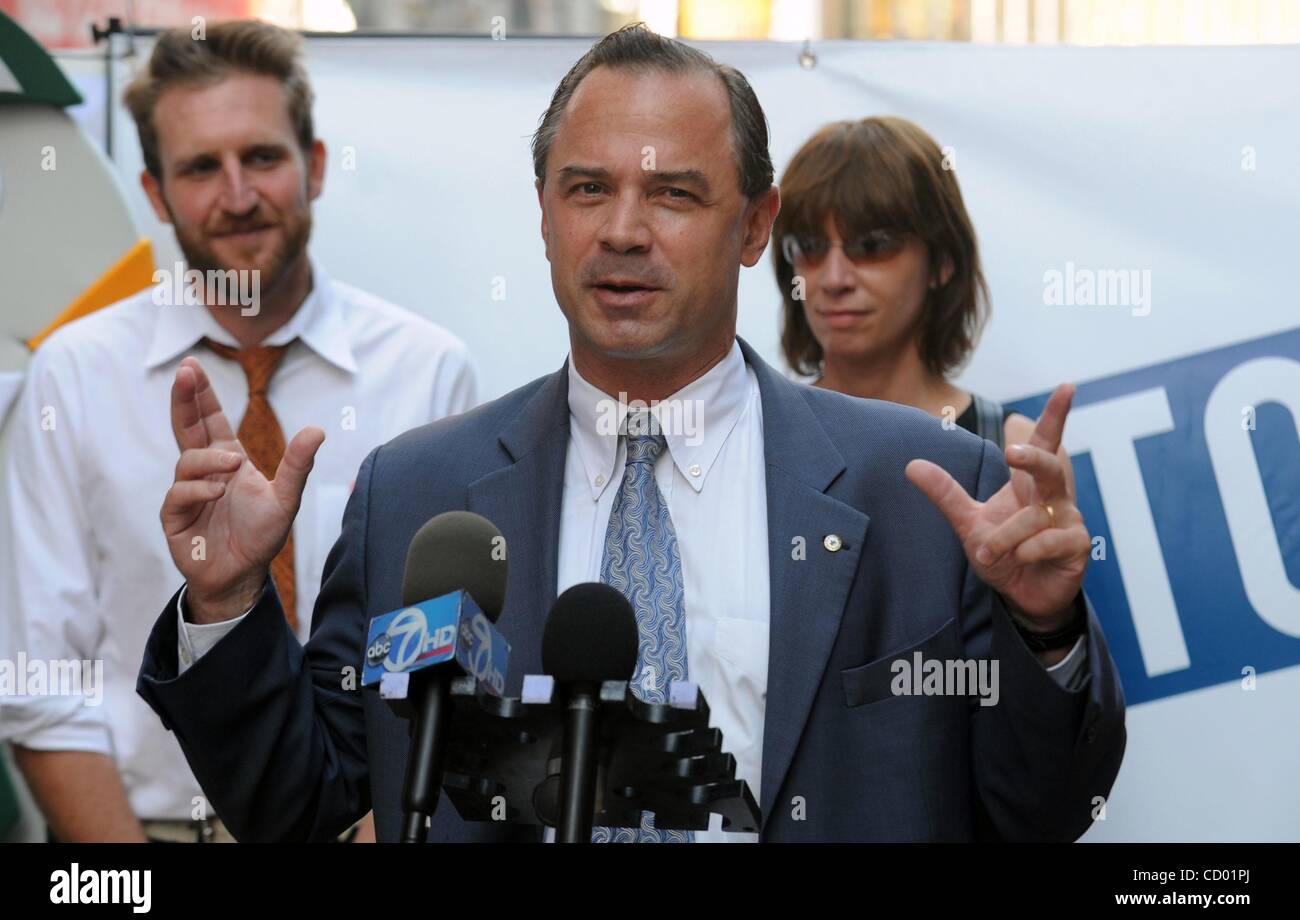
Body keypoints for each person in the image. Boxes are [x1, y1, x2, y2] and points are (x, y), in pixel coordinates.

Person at [137, 24, 1124, 842]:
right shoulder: (422, 500)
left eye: (673, 193)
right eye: (587, 188)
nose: (621, 230)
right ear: (542, 214)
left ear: (752, 227)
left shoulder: (922, 495)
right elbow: (307, 803)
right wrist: (223, 604)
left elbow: (1039, 813)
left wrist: (1043, 636)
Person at [0, 21, 478, 843]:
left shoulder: (429, 371)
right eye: (199, 168)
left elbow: (449, 668)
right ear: (155, 193)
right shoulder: (73, 374)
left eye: (261, 157)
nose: (237, 194)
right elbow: (42, 687)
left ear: (315, 166)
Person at [775, 115, 1046, 452]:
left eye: (871, 246)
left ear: (941, 262)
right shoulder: (754, 440)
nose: (835, 280)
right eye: (809, 247)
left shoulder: (1014, 452)